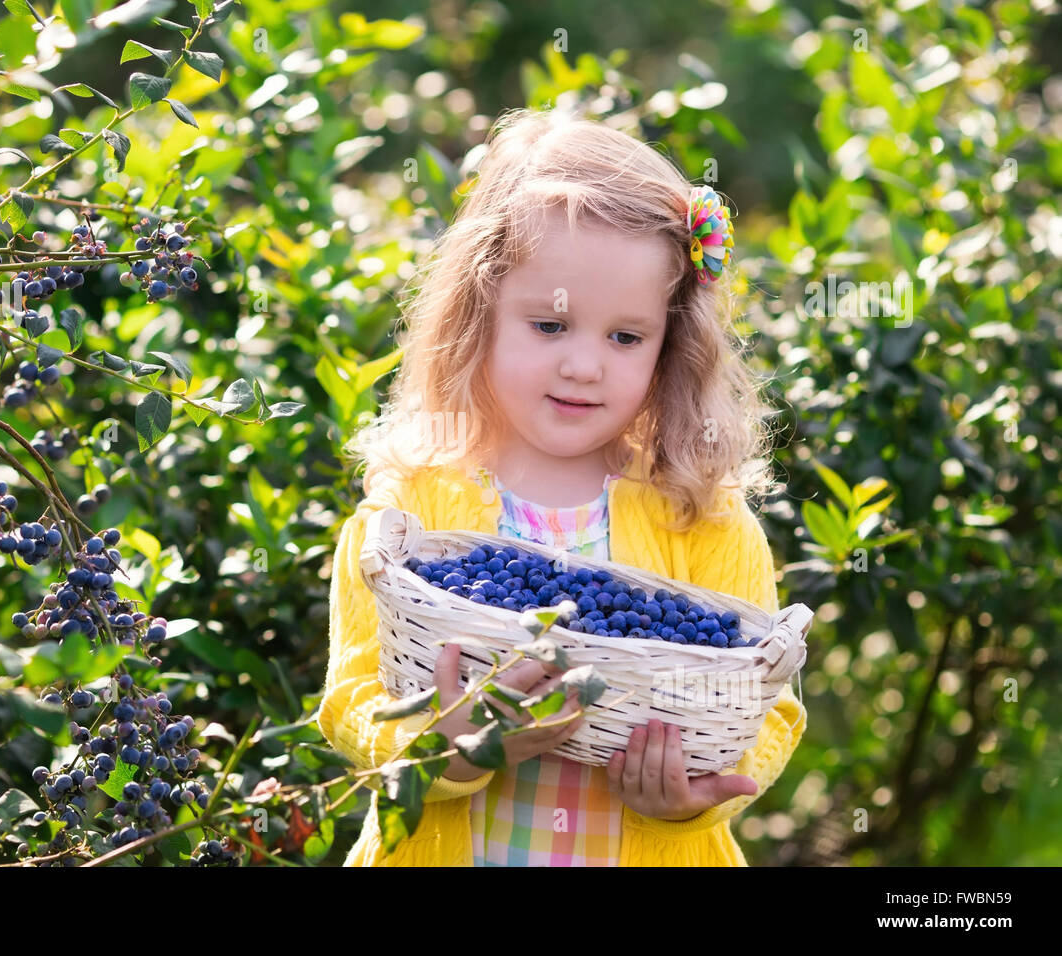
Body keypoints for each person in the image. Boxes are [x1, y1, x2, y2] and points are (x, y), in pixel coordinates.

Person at [317, 107, 807, 866]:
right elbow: (354, 704)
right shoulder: (412, 509)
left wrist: (687, 800)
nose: (585, 366)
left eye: (624, 336)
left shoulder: (702, 516)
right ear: (479, 314)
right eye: (550, 326)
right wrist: (451, 753)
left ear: (668, 344)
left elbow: (763, 704)